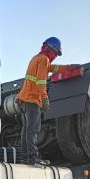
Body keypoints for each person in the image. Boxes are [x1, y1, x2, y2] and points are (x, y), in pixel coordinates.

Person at [17, 37, 63, 165]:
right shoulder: (44, 59)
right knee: (33, 130)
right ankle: (33, 158)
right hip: (32, 100)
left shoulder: (36, 58)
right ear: (51, 49)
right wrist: (45, 99)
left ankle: (26, 158)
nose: (55, 56)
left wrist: (70, 68)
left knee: (26, 131)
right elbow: (41, 82)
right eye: (55, 53)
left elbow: (54, 68)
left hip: (24, 100)